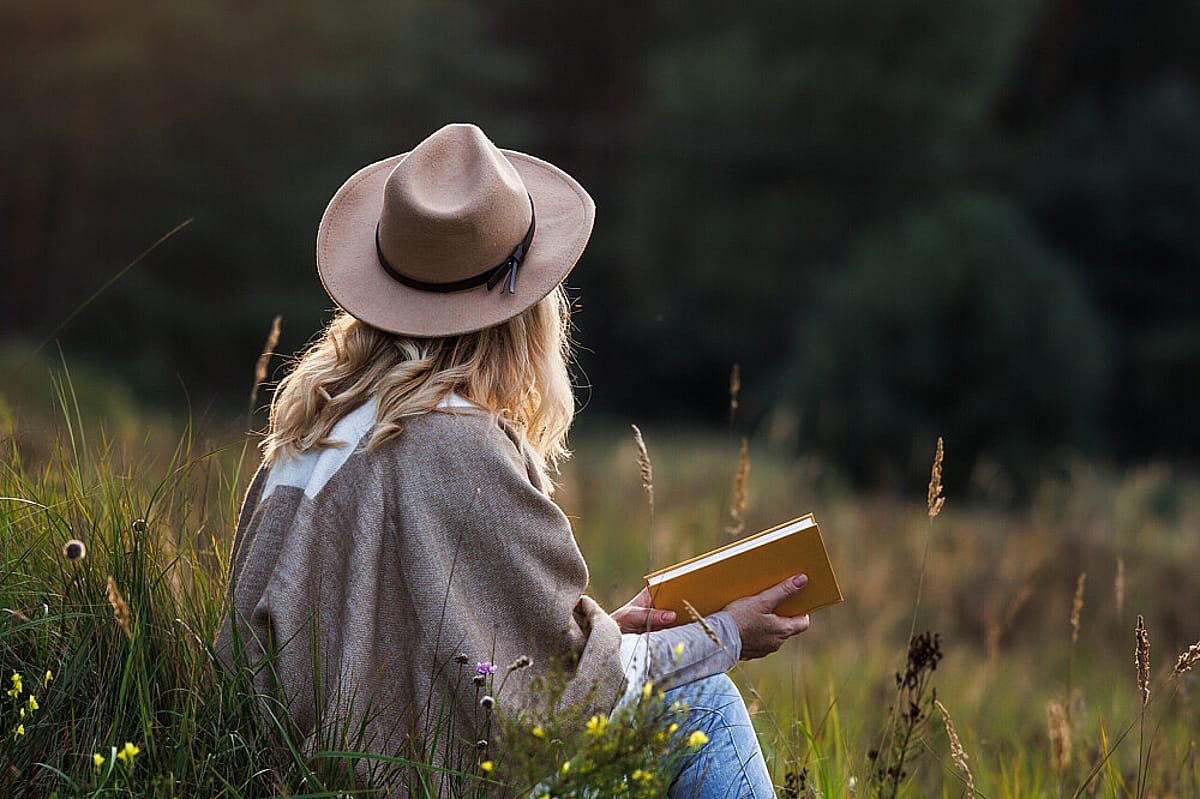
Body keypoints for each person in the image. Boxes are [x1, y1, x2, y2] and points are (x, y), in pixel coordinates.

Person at [217, 123, 811, 797]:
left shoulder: (301, 442)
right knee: (704, 702)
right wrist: (726, 636)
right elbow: (552, 710)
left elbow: (425, 651)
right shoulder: (460, 444)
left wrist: (601, 635)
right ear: (523, 314)